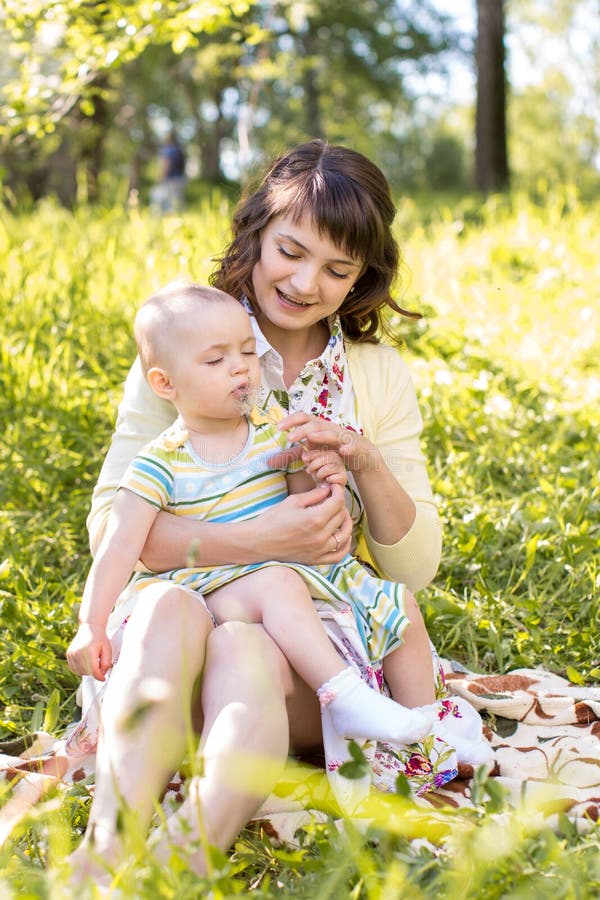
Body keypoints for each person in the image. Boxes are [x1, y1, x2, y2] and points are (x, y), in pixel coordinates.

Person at [70, 139, 492, 877]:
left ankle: (185, 854)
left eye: (337, 270)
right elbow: (118, 526)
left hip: (295, 653)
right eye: (289, 251)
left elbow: (413, 566)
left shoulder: (377, 375)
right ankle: (105, 845)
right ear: (256, 234)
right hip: (175, 645)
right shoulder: (193, 341)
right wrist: (267, 539)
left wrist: (365, 462)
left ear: (365, 275)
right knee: (174, 613)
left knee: (252, 650)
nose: (305, 283)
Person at [66, 282, 434, 748]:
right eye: (217, 360)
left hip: (286, 582)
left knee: (398, 603)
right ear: (164, 383)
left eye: (246, 351)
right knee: (277, 583)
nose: (239, 366)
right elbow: (118, 547)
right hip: (209, 590)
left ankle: (427, 737)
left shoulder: (273, 437)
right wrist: (91, 626)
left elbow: (310, 510)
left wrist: (324, 479)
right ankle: (347, 696)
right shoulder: (161, 462)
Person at [150, 131, 187, 213]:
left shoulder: (168, 150)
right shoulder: (178, 149)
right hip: (180, 179)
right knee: (177, 201)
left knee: (165, 201)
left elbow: (166, 164)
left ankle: (166, 218)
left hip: (170, 180)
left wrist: (161, 177)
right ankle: (180, 218)